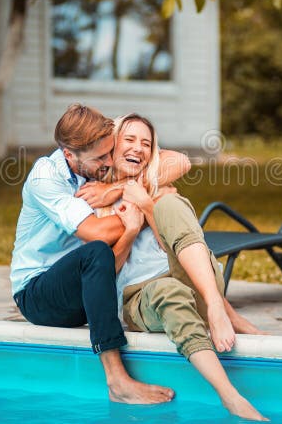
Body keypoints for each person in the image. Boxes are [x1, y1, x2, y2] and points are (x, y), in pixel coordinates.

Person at [77, 113, 267, 421]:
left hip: (194, 279)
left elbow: (173, 247)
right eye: (129, 140)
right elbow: (102, 273)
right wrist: (129, 229)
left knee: (170, 205)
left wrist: (146, 204)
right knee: (168, 292)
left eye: (146, 144)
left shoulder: (158, 189)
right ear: (111, 147)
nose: (138, 148)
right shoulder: (93, 200)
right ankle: (230, 396)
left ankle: (217, 308)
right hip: (142, 296)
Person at [10, 104, 185, 405]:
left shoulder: (98, 166)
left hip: (89, 291)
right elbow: (99, 234)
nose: (109, 161)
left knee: (104, 253)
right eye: (101, 158)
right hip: (38, 295)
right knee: (96, 251)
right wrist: (140, 209)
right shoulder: (46, 178)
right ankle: (117, 380)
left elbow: (178, 161)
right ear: (70, 156)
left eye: (110, 152)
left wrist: (118, 188)